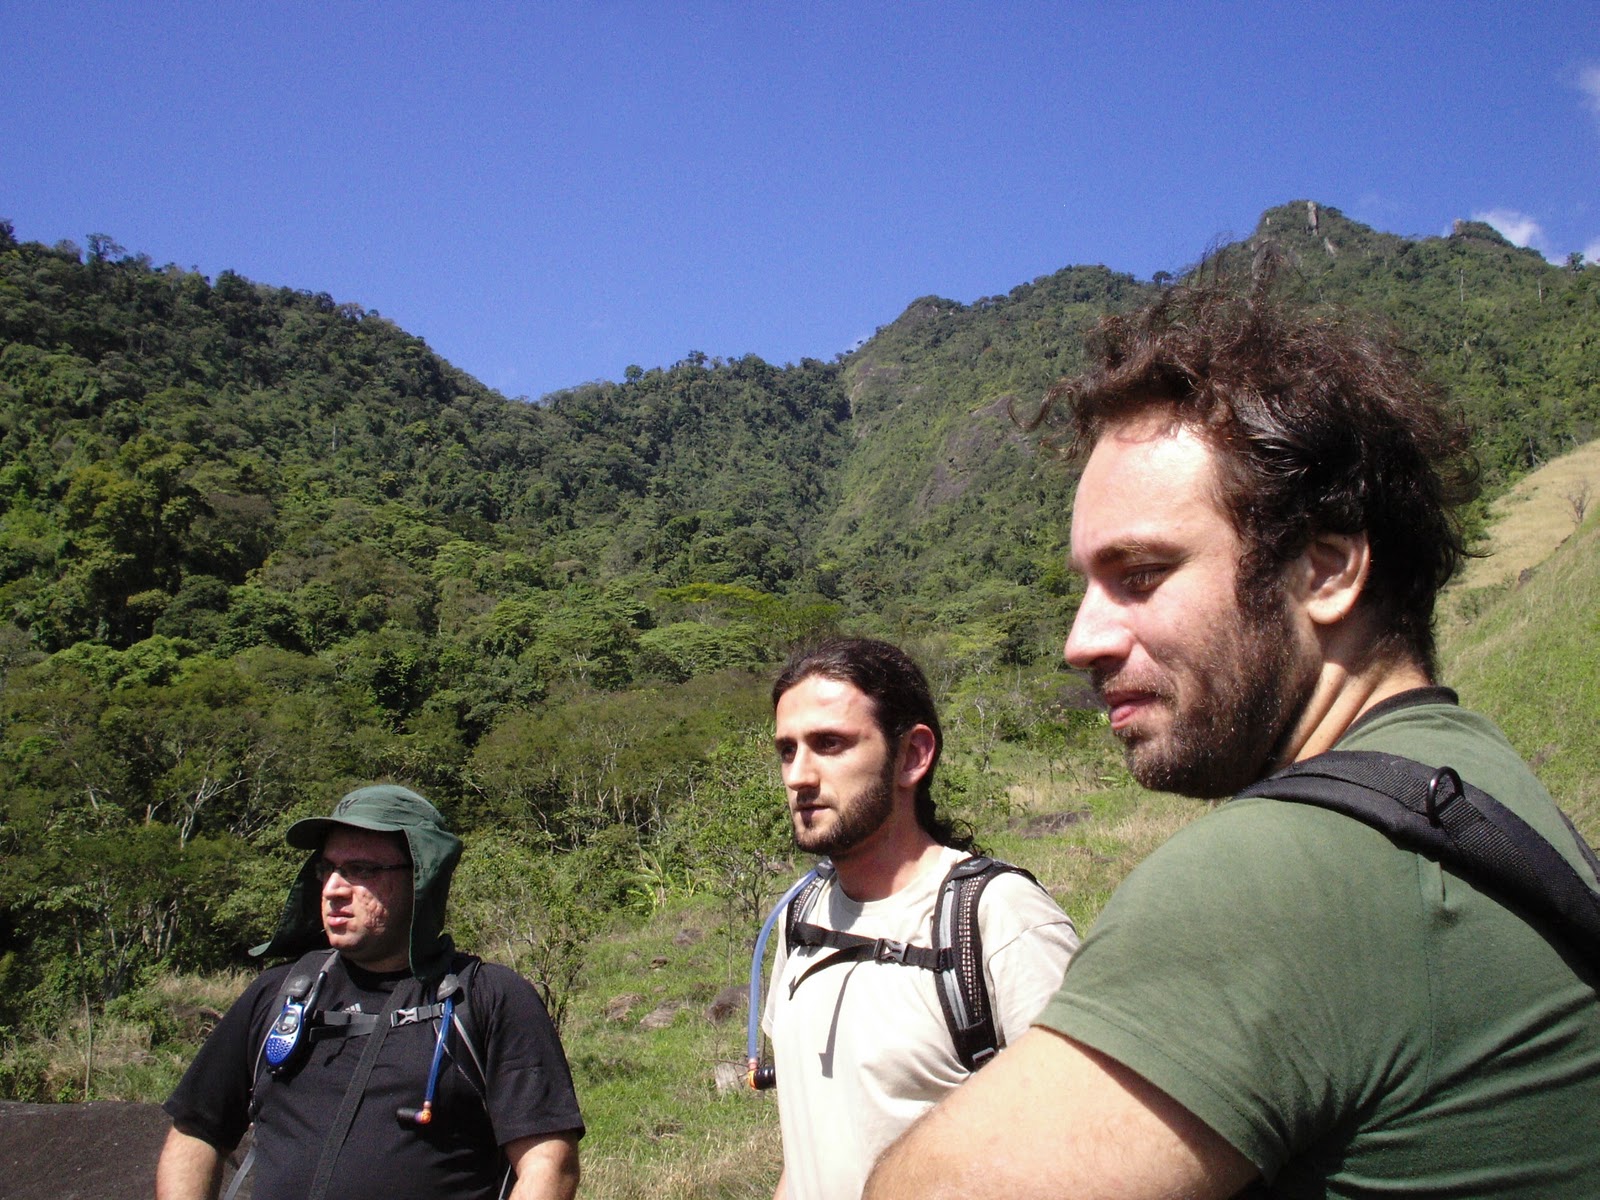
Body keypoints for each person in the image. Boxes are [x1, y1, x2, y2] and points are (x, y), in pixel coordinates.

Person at [865, 269, 1600, 1198]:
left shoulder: (1282, 876)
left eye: (1139, 573)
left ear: (1326, 572)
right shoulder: (1484, 792)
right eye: (1086, 583)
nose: (1079, 641)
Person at [763, 637, 1079, 1200]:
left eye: (829, 744)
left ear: (912, 755)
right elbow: (810, 1146)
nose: (798, 777)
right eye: (788, 750)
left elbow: (1079, 1148)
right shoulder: (799, 919)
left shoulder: (998, 919)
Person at [156, 784, 583, 1200]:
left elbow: (548, 1164)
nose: (334, 889)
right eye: (329, 868)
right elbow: (196, 1130)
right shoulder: (281, 992)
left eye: (362, 870)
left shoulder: (487, 998)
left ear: (421, 877)